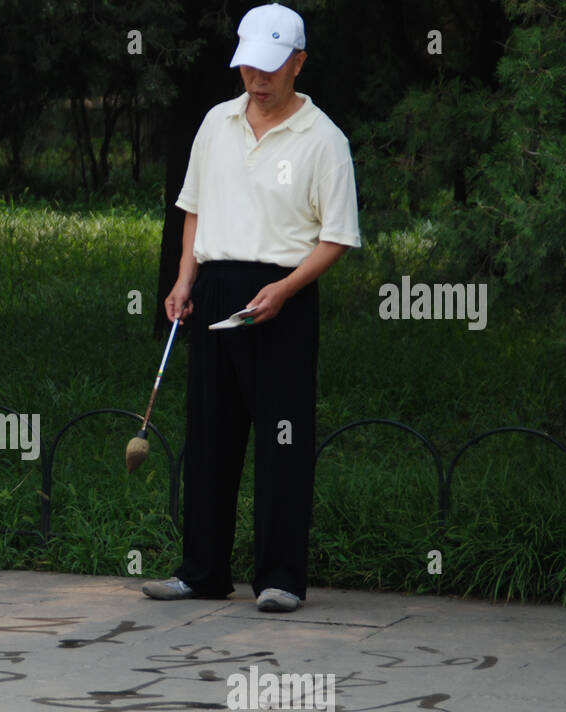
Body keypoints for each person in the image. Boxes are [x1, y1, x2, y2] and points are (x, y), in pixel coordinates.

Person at [143, 2, 360, 612]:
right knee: (210, 435)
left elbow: (337, 237)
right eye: (247, 66)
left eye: (269, 67)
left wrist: (286, 289)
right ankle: (203, 571)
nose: (257, 79)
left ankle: (281, 578)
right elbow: (193, 208)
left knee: (283, 439)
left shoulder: (324, 140)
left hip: (282, 297)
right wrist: (185, 277)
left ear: (298, 63)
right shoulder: (216, 123)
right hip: (214, 289)